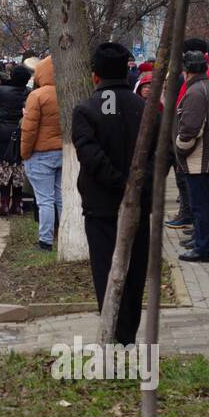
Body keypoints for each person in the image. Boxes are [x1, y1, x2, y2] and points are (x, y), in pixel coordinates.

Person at [73, 43, 157, 344]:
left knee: (106, 272)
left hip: (101, 207)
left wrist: (121, 185)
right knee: (134, 275)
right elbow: (161, 156)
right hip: (138, 206)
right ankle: (127, 337)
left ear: (95, 76)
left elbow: (91, 158)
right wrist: (137, 187)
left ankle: (113, 336)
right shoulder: (145, 110)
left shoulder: (85, 111)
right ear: (127, 70)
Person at [175, 49, 209, 263]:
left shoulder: (196, 92)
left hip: (200, 160)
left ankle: (203, 248)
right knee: (206, 205)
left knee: (201, 205)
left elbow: (190, 129)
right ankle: (202, 243)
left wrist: (179, 147)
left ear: (187, 71)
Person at [21, 57, 63, 250]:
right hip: (63, 151)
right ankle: (64, 236)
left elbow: (29, 129)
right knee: (61, 198)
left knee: (45, 200)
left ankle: (45, 241)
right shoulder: (66, 93)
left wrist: (25, 153)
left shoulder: (36, 96)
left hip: (41, 153)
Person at [0, 64, 30, 217]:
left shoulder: (2, 92)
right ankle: (17, 204)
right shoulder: (29, 93)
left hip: (2, 134)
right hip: (22, 133)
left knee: (2, 167)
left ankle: (4, 205)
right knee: (17, 167)